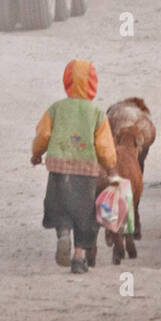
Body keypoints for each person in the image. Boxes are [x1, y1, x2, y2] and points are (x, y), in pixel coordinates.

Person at [31, 59, 116, 274]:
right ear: (93, 83)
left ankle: (64, 233)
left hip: (59, 168)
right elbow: (104, 146)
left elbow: (43, 135)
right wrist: (110, 166)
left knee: (60, 206)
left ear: (67, 81)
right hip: (86, 171)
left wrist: (36, 154)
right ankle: (79, 257)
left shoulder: (56, 109)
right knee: (84, 212)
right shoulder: (97, 113)